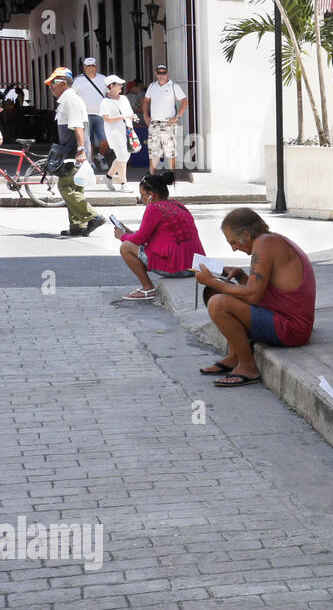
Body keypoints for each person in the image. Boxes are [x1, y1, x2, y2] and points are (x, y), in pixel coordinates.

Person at [194, 208, 317, 388]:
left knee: (218, 303)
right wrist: (242, 277)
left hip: (292, 329)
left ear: (246, 234)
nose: (234, 248)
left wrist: (212, 281)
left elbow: (253, 296)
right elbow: (263, 292)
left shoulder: (265, 243)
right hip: (280, 317)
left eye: (234, 242)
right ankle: (234, 356)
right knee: (216, 294)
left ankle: (248, 366)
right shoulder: (269, 241)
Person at [114, 171, 206, 300]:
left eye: (142, 195)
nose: (142, 199)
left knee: (126, 247)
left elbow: (141, 239)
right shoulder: (177, 205)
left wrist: (122, 236)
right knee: (130, 242)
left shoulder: (154, 208)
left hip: (178, 268)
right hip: (194, 266)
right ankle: (148, 287)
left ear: (152, 195)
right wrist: (129, 232)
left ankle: (148, 288)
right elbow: (150, 235)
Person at [44, 67, 106, 239]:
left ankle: (93, 216)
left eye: (52, 84)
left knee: (65, 186)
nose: (51, 88)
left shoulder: (70, 99)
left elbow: (77, 126)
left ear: (63, 83)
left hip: (72, 151)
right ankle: (78, 225)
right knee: (75, 187)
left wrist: (80, 150)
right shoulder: (68, 99)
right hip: (72, 150)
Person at [141, 64, 188, 171]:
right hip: (154, 123)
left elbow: (184, 101)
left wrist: (177, 116)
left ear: (167, 73)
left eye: (164, 72)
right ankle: (151, 176)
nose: (161, 75)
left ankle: (171, 175)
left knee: (170, 151)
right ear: (156, 73)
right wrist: (145, 115)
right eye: (159, 72)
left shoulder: (173, 86)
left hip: (168, 124)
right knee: (153, 152)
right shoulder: (152, 86)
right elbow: (146, 100)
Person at [71, 57, 110, 173]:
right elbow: (73, 96)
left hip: (101, 114)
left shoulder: (103, 79)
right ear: (84, 67)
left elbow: (110, 95)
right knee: (88, 140)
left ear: (96, 67)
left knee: (105, 139)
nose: (91, 68)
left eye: (92, 66)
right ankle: (91, 162)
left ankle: (101, 156)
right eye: (88, 66)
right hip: (84, 114)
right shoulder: (78, 80)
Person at [99, 75, 136, 190]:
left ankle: (108, 177)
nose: (121, 86)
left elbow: (129, 113)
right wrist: (123, 117)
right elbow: (107, 118)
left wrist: (132, 117)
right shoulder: (105, 101)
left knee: (124, 156)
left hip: (127, 129)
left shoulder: (124, 98)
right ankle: (123, 183)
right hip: (114, 132)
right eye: (118, 84)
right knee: (122, 156)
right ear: (111, 86)